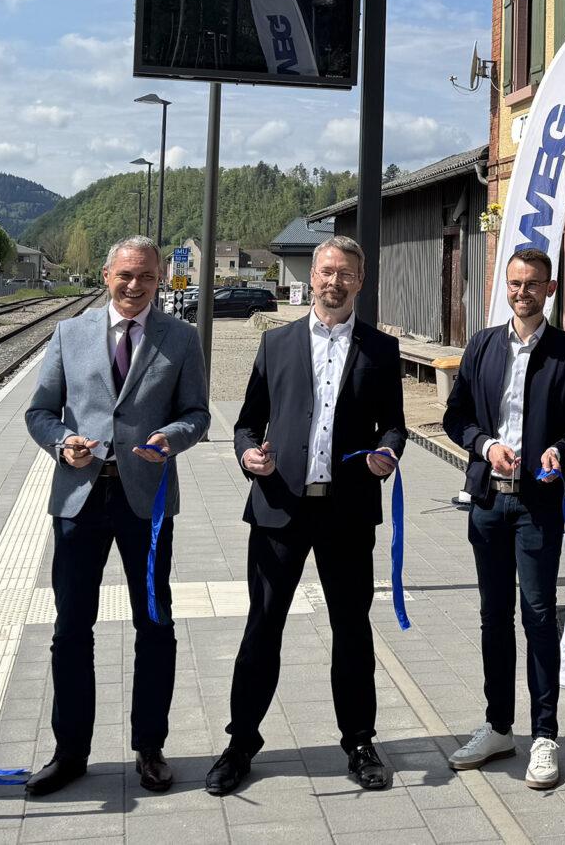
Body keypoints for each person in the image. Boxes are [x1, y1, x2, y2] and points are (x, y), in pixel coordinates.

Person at [205, 236, 406, 796]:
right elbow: (248, 423)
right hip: (279, 511)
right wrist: (248, 454)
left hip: (346, 513)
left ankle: (360, 741)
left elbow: (394, 426)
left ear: (360, 281)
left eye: (345, 273)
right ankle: (241, 740)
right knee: (263, 628)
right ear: (310, 277)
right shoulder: (276, 344)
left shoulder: (381, 350)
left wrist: (387, 453)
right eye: (325, 272)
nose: (333, 282)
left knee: (352, 631)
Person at [24, 235, 209, 796]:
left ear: (160, 280)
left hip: (145, 499)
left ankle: (149, 747)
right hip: (80, 499)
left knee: (154, 623)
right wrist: (62, 443)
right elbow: (38, 411)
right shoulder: (70, 333)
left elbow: (197, 413)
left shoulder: (180, 338)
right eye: (125, 275)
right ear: (106, 275)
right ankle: (70, 752)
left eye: (146, 277)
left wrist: (172, 438)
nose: (134, 286)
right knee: (70, 628)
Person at [441, 248, 565, 789]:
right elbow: (454, 414)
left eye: (532, 284)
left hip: (537, 505)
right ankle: (497, 726)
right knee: (493, 617)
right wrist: (484, 447)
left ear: (550, 289)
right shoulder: (483, 344)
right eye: (514, 283)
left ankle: (545, 735)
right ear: (503, 286)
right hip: (488, 500)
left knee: (537, 616)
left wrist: (559, 449)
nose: (521, 292)